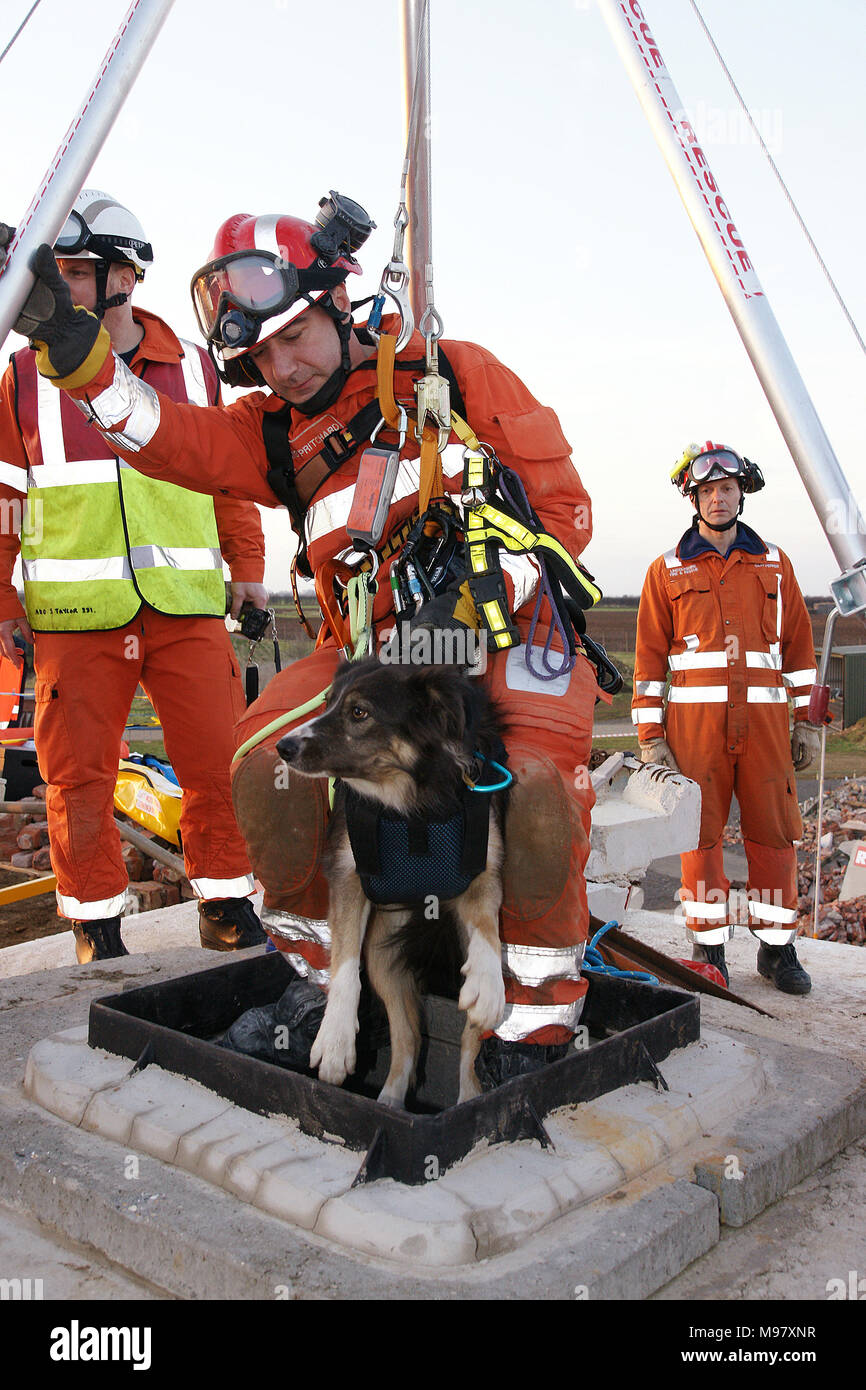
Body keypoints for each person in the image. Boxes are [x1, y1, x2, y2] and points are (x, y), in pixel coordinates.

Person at [3, 193, 599, 1082]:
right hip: (369, 645)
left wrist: (469, 601)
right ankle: (325, 989)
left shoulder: (456, 376)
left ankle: (537, 1028)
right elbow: (163, 434)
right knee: (267, 769)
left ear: (336, 300)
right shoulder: (272, 432)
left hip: (513, 631)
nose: (283, 366)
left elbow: (568, 519)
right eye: (263, 354)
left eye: (295, 338)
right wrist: (75, 351)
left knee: (541, 795)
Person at [0, 191, 268, 961]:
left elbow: (228, 476)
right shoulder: (22, 376)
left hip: (184, 609)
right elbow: (3, 501)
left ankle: (225, 906)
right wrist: (1, 595)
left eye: (75, 272)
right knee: (76, 777)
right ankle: (95, 923)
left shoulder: (192, 368)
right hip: (74, 619)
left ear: (124, 277)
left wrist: (247, 568)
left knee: (216, 764)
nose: (56, 289)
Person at [632, 441, 819, 994]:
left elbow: (801, 648)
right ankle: (708, 948)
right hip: (696, 731)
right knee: (702, 835)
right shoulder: (666, 570)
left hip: (764, 728)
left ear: (743, 493)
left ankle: (777, 951)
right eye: (708, 490)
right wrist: (650, 737)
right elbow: (648, 661)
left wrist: (806, 721)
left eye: (727, 489)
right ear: (694, 498)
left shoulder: (775, 565)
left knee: (774, 835)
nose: (718, 498)